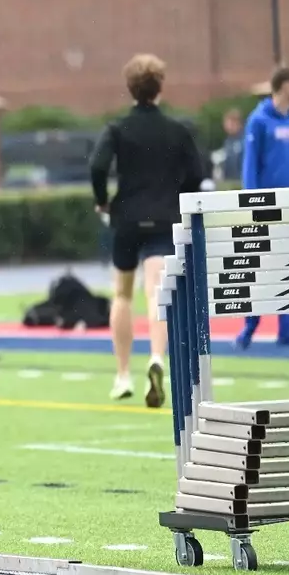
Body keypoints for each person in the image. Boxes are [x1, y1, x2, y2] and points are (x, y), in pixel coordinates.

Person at [89, 53, 208, 405]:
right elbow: (197, 175)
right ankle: (157, 358)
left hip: (127, 217)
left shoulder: (117, 128)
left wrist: (103, 200)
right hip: (165, 217)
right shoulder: (177, 130)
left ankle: (123, 374)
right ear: (161, 86)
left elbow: (97, 166)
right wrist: (177, 199)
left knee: (122, 294)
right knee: (157, 292)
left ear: (130, 88)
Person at [237, 67, 289, 350]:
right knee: (261, 268)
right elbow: (250, 167)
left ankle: (287, 330)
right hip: (266, 207)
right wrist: (252, 204)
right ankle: (249, 326)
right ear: (284, 86)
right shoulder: (258, 121)